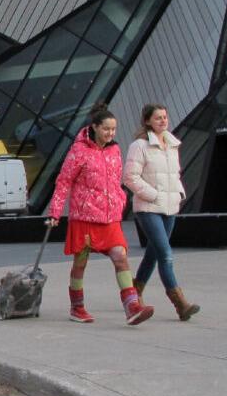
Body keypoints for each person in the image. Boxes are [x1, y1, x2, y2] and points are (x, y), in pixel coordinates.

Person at [47, 104, 154, 325]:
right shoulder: (78, 151)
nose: (111, 133)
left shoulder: (114, 150)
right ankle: (77, 307)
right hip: (85, 217)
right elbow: (64, 181)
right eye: (106, 129)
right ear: (94, 127)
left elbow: (116, 180)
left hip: (110, 218)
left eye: (113, 129)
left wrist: (120, 200)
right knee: (81, 262)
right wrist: (55, 213)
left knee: (120, 257)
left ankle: (132, 306)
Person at [124, 103, 199, 321]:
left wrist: (179, 194)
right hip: (149, 207)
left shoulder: (172, 144)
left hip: (170, 207)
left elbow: (175, 175)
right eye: (158, 118)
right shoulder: (140, 145)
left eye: (165, 117)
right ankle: (180, 304)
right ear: (147, 121)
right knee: (165, 254)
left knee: (154, 253)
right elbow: (130, 177)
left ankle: (135, 292)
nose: (163, 121)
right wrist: (153, 194)